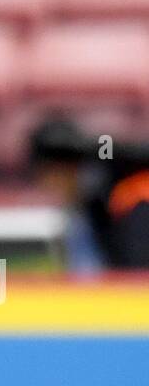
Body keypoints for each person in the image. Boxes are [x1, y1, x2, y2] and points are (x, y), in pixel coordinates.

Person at [29, 114, 149, 271]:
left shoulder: (129, 197)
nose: (47, 183)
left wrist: (85, 148)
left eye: (47, 172)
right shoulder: (83, 210)